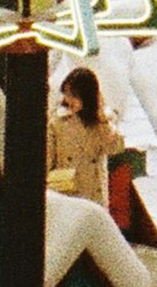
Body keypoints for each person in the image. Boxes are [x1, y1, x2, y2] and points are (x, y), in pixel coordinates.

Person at [48, 64, 125, 200]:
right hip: (68, 191)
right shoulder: (58, 121)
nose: (69, 100)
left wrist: (102, 120)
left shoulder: (103, 119)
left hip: (95, 193)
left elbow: (115, 148)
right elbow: (47, 158)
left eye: (74, 96)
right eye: (66, 94)